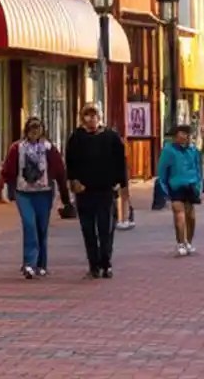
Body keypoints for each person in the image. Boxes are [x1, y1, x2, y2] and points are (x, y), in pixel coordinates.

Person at [0, 117, 70, 279]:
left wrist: (65, 198)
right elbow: (7, 170)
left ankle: (41, 264)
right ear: (26, 130)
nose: (35, 132)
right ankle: (29, 263)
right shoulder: (17, 148)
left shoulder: (49, 148)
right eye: (32, 129)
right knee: (29, 225)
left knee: (41, 228)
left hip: (44, 193)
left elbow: (60, 172)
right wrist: (3, 189)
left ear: (43, 130)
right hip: (24, 193)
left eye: (38, 128)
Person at [65, 102, 128, 279]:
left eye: (94, 115)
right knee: (88, 229)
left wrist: (121, 183)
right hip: (84, 191)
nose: (91, 119)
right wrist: (73, 181)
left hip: (105, 190)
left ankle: (106, 262)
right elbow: (70, 162)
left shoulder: (111, 137)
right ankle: (93, 264)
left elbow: (120, 162)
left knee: (105, 228)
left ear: (100, 117)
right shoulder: (76, 137)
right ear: (82, 117)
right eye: (87, 115)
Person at [157, 124, 204, 257]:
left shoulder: (193, 150)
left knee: (191, 216)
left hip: (191, 185)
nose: (185, 137)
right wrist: (165, 188)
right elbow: (162, 171)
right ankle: (180, 243)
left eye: (187, 134)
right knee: (179, 214)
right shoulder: (168, 151)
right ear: (175, 136)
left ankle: (189, 242)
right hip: (176, 186)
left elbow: (198, 168)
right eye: (182, 133)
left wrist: (198, 184)